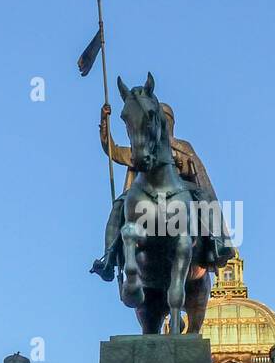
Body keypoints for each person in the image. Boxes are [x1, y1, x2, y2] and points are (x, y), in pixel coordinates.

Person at [90, 99, 234, 281]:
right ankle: (109, 258)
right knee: (119, 204)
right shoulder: (143, 148)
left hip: (181, 188)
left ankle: (218, 242)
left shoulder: (183, 146)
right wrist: (105, 122)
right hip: (146, 192)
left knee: (204, 196)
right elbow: (113, 151)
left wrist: (180, 164)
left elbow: (194, 172)